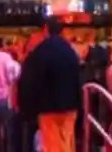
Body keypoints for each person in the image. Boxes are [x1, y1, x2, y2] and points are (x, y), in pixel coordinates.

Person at [19, 19, 81, 152]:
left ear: (46, 29)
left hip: (48, 108)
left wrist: (27, 109)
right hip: (70, 107)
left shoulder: (41, 51)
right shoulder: (70, 50)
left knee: (52, 144)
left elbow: (32, 81)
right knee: (67, 142)